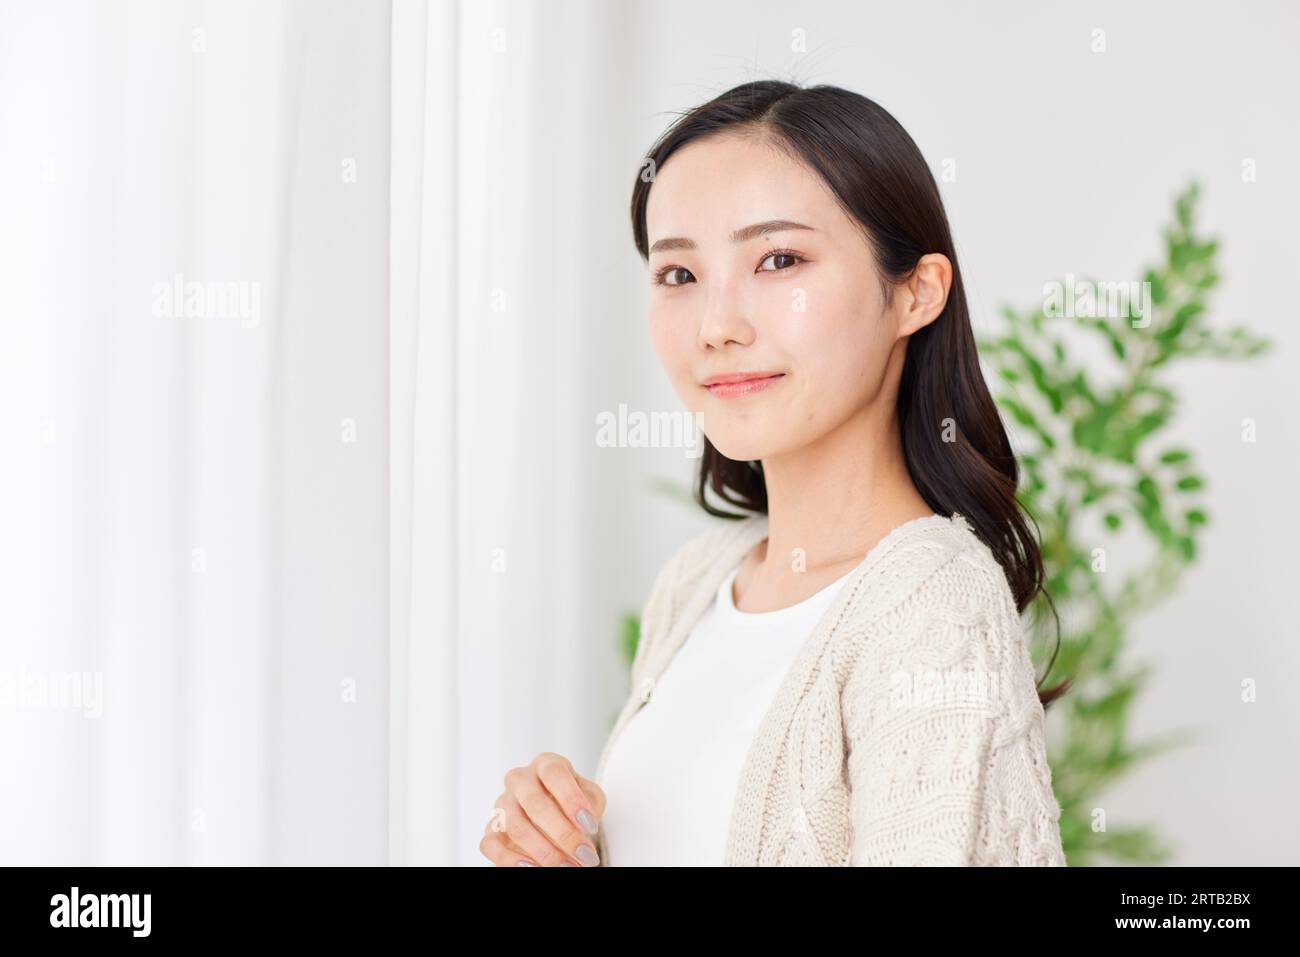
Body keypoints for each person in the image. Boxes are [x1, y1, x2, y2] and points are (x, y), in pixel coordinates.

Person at [481, 80, 1070, 868]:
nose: (718, 325)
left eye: (779, 259)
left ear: (914, 293)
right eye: (679, 275)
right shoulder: (696, 586)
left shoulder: (935, 606)